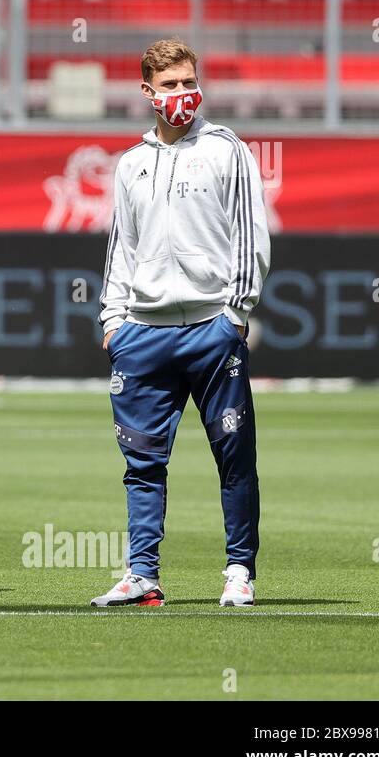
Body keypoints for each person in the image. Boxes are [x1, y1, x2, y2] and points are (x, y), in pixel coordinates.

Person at [93, 37, 270, 608]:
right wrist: (113, 318)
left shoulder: (226, 149)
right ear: (147, 92)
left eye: (189, 82)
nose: (182, 94)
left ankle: (239, 571)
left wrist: (235, 314)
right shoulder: (132, 163)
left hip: (210, 330)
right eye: (169, 85)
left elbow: (251, 236)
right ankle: (142, 574)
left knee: (234, 454)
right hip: (142, 332)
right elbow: (122, 246)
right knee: (141, 461)